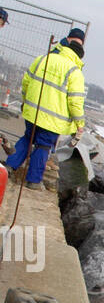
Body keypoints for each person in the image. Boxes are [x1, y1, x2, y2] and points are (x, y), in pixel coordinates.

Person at [3, 27, 86, 187]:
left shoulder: (44, 59)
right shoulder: (75, 72)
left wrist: (26, 101)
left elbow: (26, 82)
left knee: (27, 138)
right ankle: (33, 181)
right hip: (52, 120)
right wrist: (79, 124)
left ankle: (8, 167)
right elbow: (75, 102)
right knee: (43, 146)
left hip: (32, 112)